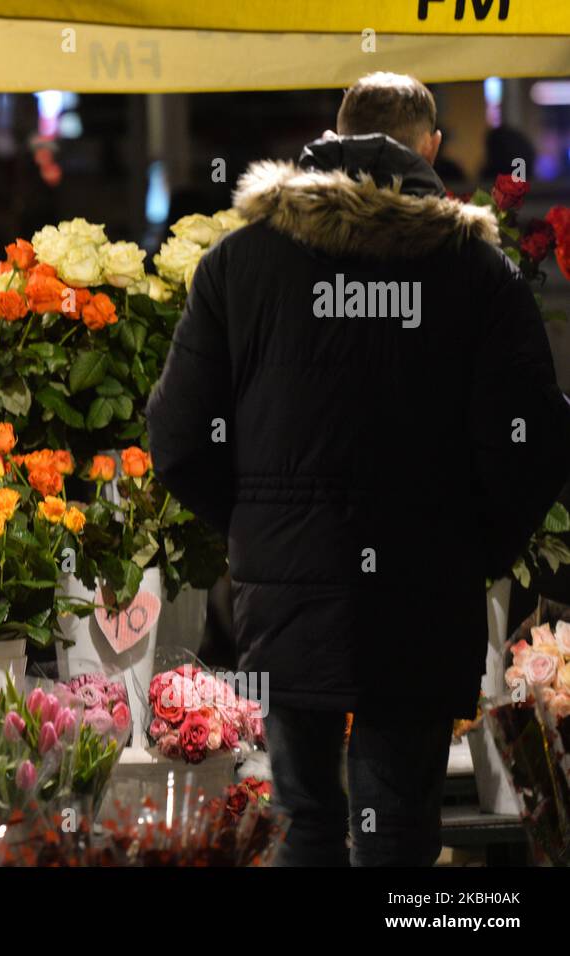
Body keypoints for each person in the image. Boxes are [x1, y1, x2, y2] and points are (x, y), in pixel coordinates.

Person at [146, 72, 570, 866]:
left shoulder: (239, 265)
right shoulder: (477, 274)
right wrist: (476, 548)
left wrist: (256, 529)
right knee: (402, 829)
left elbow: (175, 438)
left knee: (304, 820)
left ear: (329, 136)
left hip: (284, 597)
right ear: (432, 150)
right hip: (422, 593)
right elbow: (534, 442)